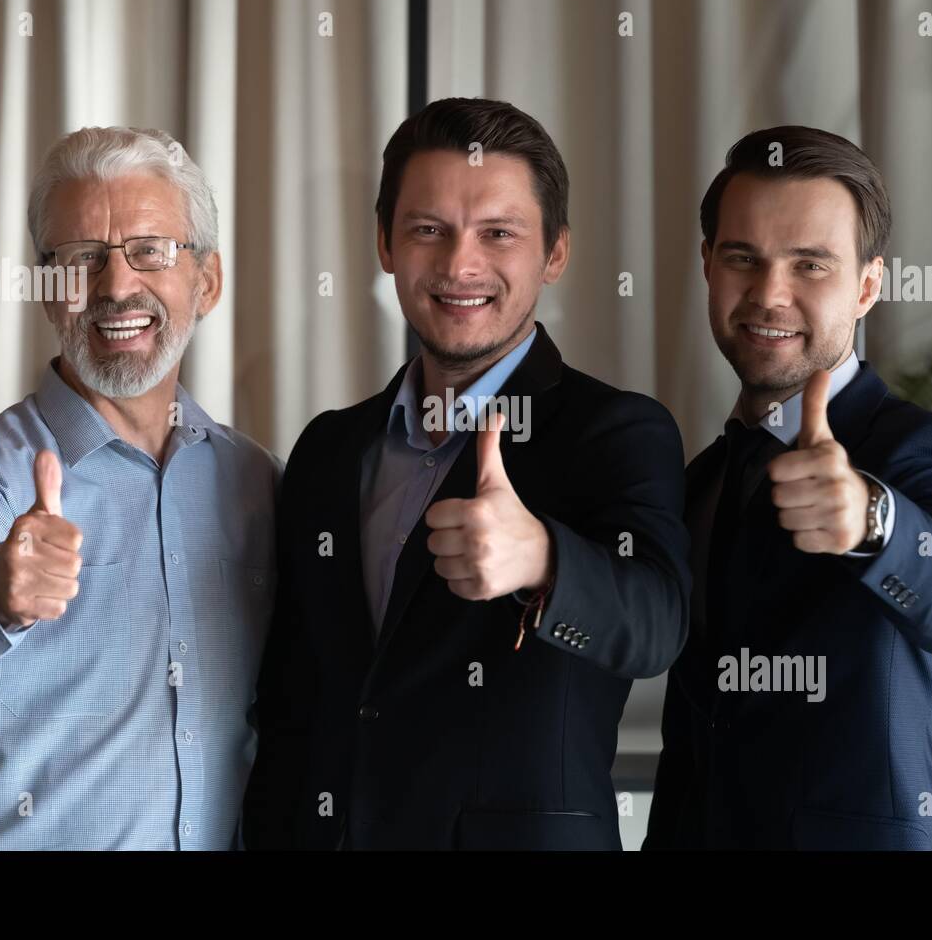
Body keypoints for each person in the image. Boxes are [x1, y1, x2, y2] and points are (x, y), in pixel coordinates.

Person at [244, 98, 690, 850]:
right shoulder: (327, 447)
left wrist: (544, 560)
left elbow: (655, 624)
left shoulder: (616, 431)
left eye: (498, 234)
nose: (460, 265)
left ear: (555, 253)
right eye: (429, 230)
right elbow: (295, 698)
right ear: (385, 244)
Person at [0, 126, 280, 849]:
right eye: (80, 260)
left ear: (208, 281)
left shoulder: (256, 484)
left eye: (149, 251)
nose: (115, 286)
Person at [644, 126, 932, 850]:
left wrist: (872, 520)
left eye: (810, 264)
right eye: (744, 258)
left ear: (868, 285)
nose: (770, 294)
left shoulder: (922, 450)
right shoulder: (702, 477)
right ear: (708, 264)